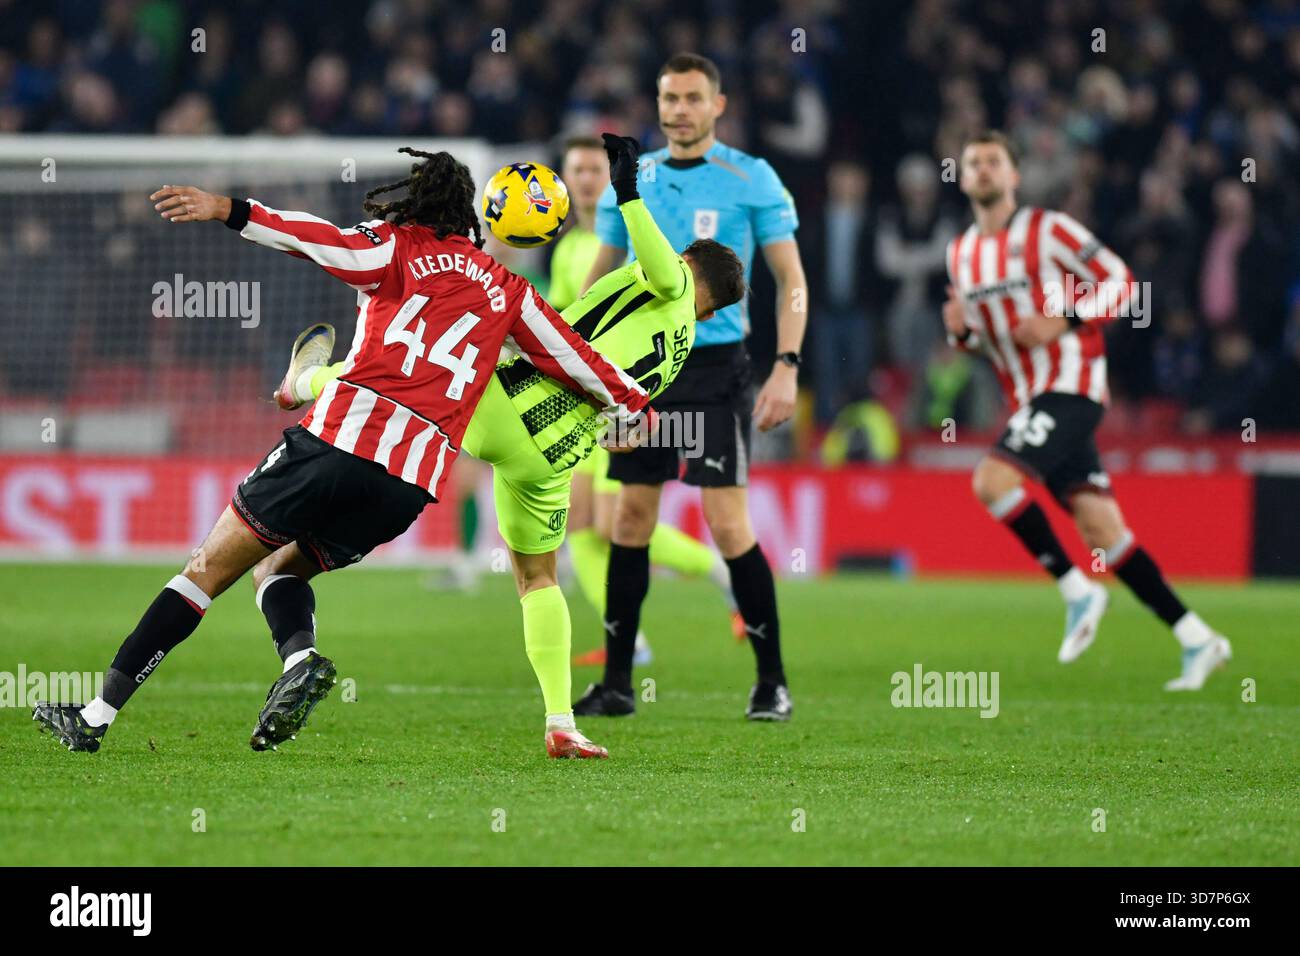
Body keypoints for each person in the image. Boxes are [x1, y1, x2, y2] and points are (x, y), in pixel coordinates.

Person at [33, 147, 653, 759]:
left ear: (416, 204)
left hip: (340, 440)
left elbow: (314, 237)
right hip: (408, 484)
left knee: (203, 571)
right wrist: (633, 405)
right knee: (276, 570)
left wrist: (229, 209)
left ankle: (94, 716)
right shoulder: (511, 293)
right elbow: (574, 357)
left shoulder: (396, 247)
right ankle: (300, 659)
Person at [270, 134, 746, 754]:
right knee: (536, 578)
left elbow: (660, 268)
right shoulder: (683, 339)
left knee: (409, 382)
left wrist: (628, 187)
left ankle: (303, 380)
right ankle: (560, 721)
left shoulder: (675, 282)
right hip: (555, 453)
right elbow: (601, 383)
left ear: (688, 259)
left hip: (511, 406)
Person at [943, 130, 1231, 690]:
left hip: (1071, 385)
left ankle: (1078, 591)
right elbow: (989, 340)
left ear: (1014, 175)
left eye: (993, 161)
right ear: (960, 176)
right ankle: (1198, 638)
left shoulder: (1047, 230)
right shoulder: (960, 254)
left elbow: (1124, 284)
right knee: (1104, 530)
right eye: (972, 162)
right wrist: (960, 338)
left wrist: (1065, 318)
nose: (981, 170)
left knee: (991, 480)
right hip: (1030, 399)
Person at [575, 52, 810, 722]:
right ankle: (618, 684)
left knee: (727, 522)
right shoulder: (634, 177)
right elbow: (601, 273)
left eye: (690, 98)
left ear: (718, 104)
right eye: (668, 98)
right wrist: (580, 362)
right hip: (642, 375)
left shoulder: (751, 178)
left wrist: (787, 365)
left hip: (714, 371)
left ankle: (772, 682)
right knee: (630, 518)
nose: (678, 110)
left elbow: (791, 279)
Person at [549, 135, 740, 669]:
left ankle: (716, 571)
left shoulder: (617, 243)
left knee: (613, 522)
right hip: (577, 394)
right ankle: (628, 641)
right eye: (577, 170)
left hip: (616, 396)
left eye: (593, 169)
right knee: (580, 526)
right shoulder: (566, 249)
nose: (586, 179)